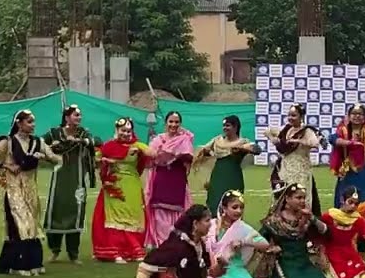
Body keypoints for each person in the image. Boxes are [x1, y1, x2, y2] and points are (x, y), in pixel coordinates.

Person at [0, 109, 61, 276]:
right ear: (19, 123)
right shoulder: (8, 142)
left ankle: (34, 263)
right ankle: (18, 264)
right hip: (13, 189)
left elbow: (56, 158)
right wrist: (6, 166)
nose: (33, 125)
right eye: (29, 121)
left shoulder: (38, 142)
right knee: (21, 224)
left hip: (30, 190)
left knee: (33, 225)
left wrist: (44, 156)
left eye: (33, 121)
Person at [257, 183, 337, 278]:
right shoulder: (274, 221)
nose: (302, 201)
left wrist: (312, 218)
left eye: (303, 198)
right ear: (287, 199)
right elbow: (259, 240)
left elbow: (327, 233)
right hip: (285, 262)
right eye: (298, 198)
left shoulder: (305, 218)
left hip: (304, 262)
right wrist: (272, 248)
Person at [201, 190, 274, 278]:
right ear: (224, 208)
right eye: (234, 207)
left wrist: (244, 242)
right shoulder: (212, 225)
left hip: (235, 270)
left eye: (241, 208)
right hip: (217, 271)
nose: (239, 211)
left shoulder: (242, 228)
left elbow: (265, 245)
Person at [43, 105, 98, 265]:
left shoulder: (83, 133)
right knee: (56, 211)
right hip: (59, 178)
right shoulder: (54, 133)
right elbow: (40, 143)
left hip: (77, 178)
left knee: (76, 211)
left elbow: (96, 141)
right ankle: (55, 250)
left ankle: (73, 253)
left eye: (80, 115)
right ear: (67, 117)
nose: (79, 118)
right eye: (75, 115)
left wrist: (82, 141)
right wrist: (52, 148)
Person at [92, 117, 149, 263]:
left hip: (132, 184)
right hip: (114, 185)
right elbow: (97, 159)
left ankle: (133, 250)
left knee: (133, 215)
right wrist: (107, 161)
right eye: (123, 130)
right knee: (115, 217)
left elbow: (153, 154)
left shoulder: (137, 145)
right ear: (117, 130)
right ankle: (114, 251)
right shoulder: (109, 145)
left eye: (129, 131)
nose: (126, 133)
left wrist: (141, 148)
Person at [145, 112, 194, 250]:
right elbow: (150, 159)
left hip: (177, 178)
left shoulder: (184, 139)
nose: (174, 125)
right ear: (165, 123)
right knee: (160, 212)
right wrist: (162, 154)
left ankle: (176, 241)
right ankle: (162, 243)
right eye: (171, 121)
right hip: (161, 178)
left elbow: (189, 158)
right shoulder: (158, 140)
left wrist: (178, 155)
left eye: (177, 122)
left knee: (178, 213)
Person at [195, 115, 260, 218]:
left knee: (233, 202)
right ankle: (215, 230)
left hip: (233, 177)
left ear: (236, 127)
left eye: (228, 125)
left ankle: (233, 231)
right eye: (224, 125)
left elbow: (257, 150)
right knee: (214, 202)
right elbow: (203, 150)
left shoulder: (242, 142)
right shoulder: (217, 141)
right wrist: (206, 152)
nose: (225, 128)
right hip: (217, 177)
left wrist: (242, 148)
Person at [265, 104, 325, 213]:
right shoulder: (287, 129)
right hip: (285, 170)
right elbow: (269, 131)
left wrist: (299, 141)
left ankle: (302, 224)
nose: (290, 118)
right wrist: (272, 138)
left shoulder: (306, 131)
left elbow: (315, 144)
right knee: (283, 196)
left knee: (300, 197)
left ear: (301, 117)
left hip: (300, 171)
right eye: (289, 115)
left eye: (294, 115)